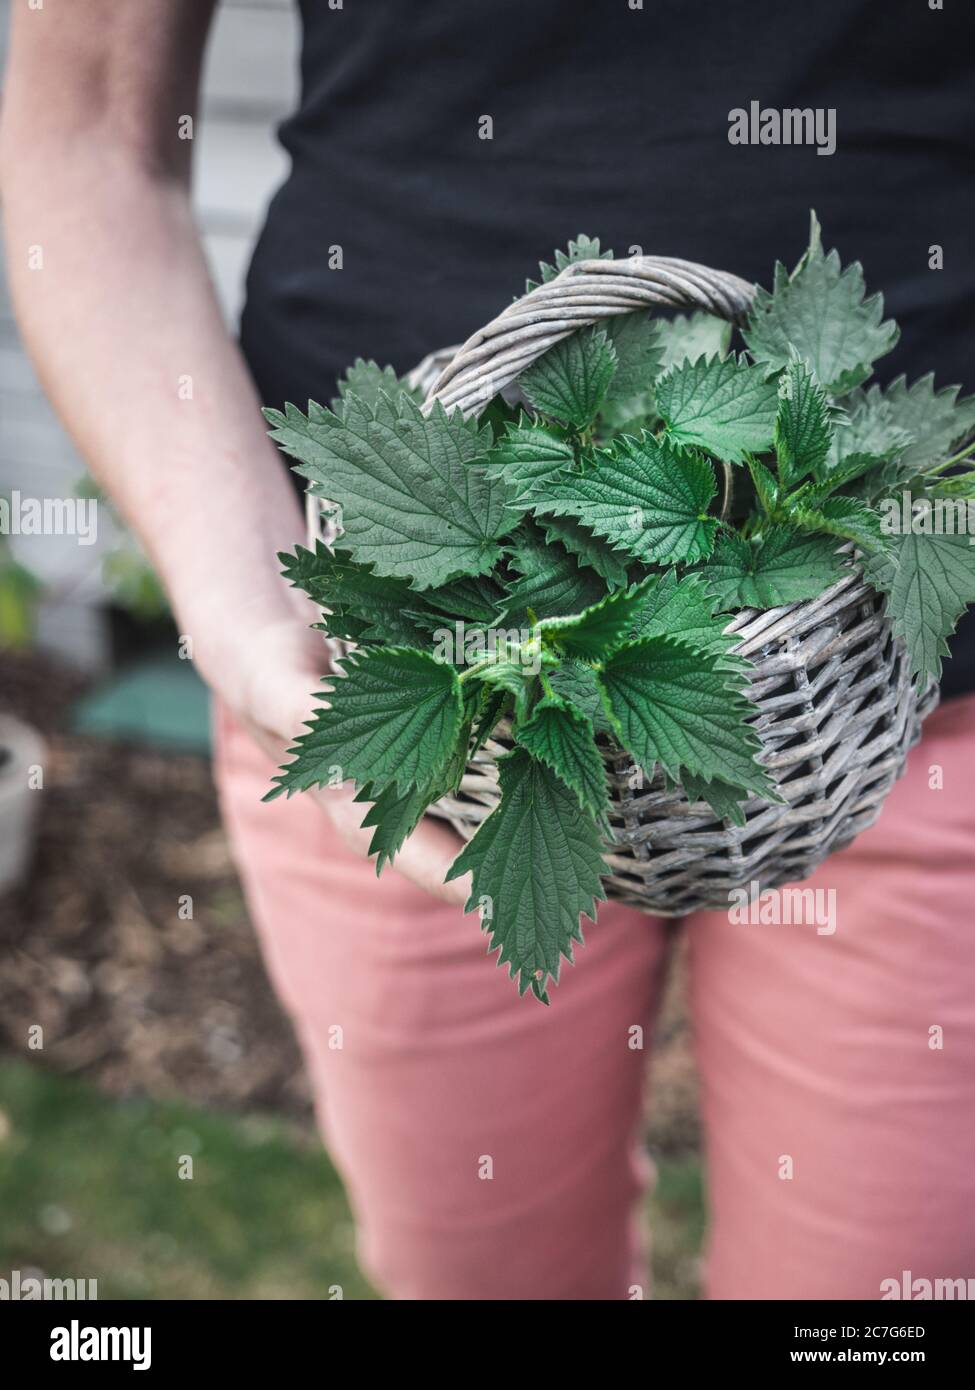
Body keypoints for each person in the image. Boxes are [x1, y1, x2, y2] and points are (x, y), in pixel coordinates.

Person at [3, 0, 973, 1301]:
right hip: (400, 664)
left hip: (917, 663)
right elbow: (84, 131)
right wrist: (243, 619)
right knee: (471, 1263)